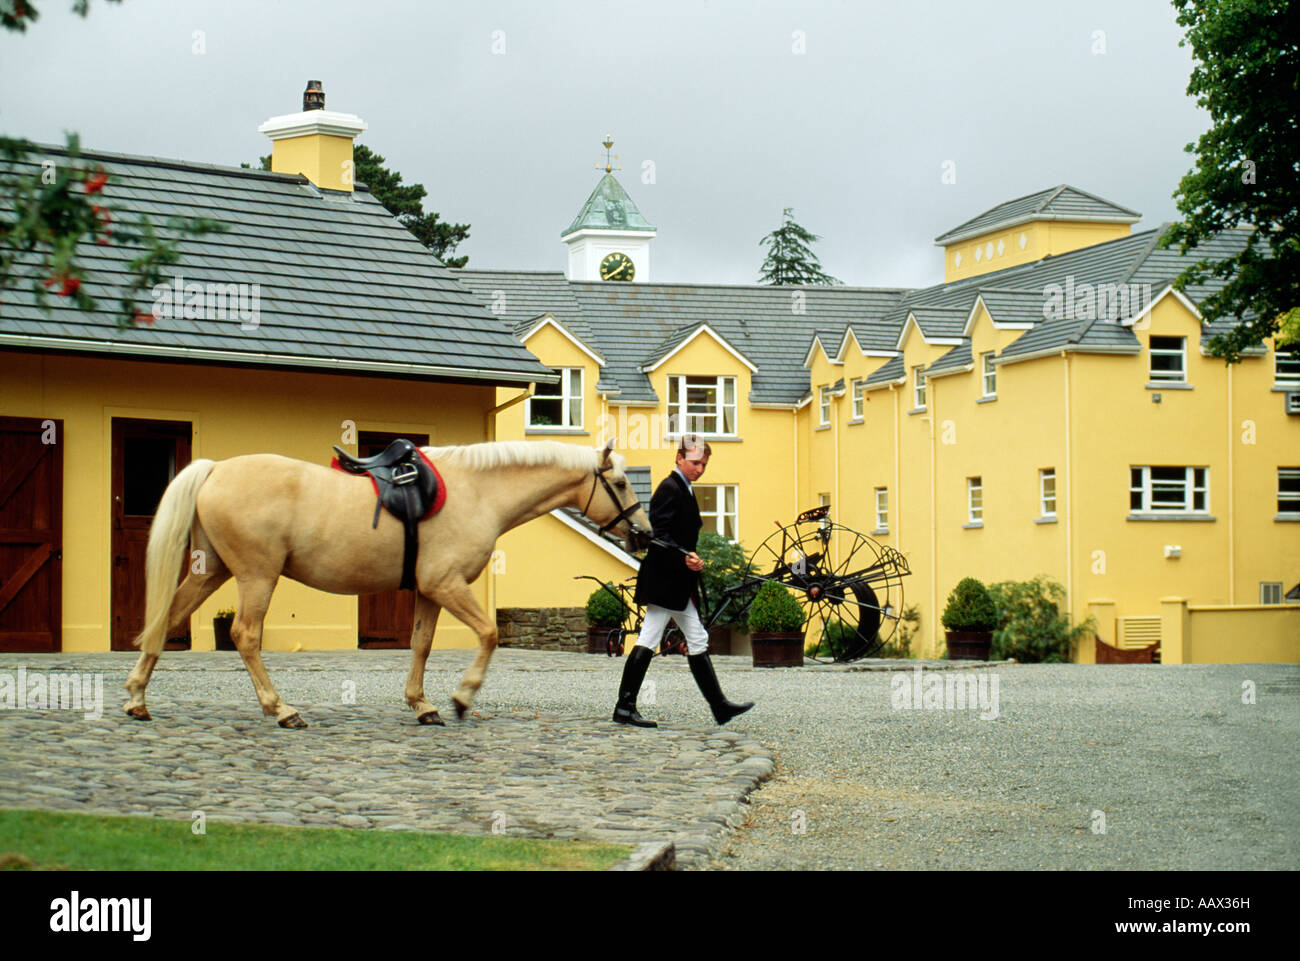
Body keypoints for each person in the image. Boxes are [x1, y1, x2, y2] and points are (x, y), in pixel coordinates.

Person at [613, 434, 753, 728]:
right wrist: (685, 557)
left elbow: (674, 536)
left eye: (703, 463)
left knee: (697, 638)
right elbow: (658, 535)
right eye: (694, 462)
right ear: (679, 458)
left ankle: (720, 707)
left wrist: (688, 558)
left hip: (676, 581)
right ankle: (625, 707)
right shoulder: (669, 488)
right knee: (650, 638)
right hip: (666, 580)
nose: (699, 468)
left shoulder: (683, 488)